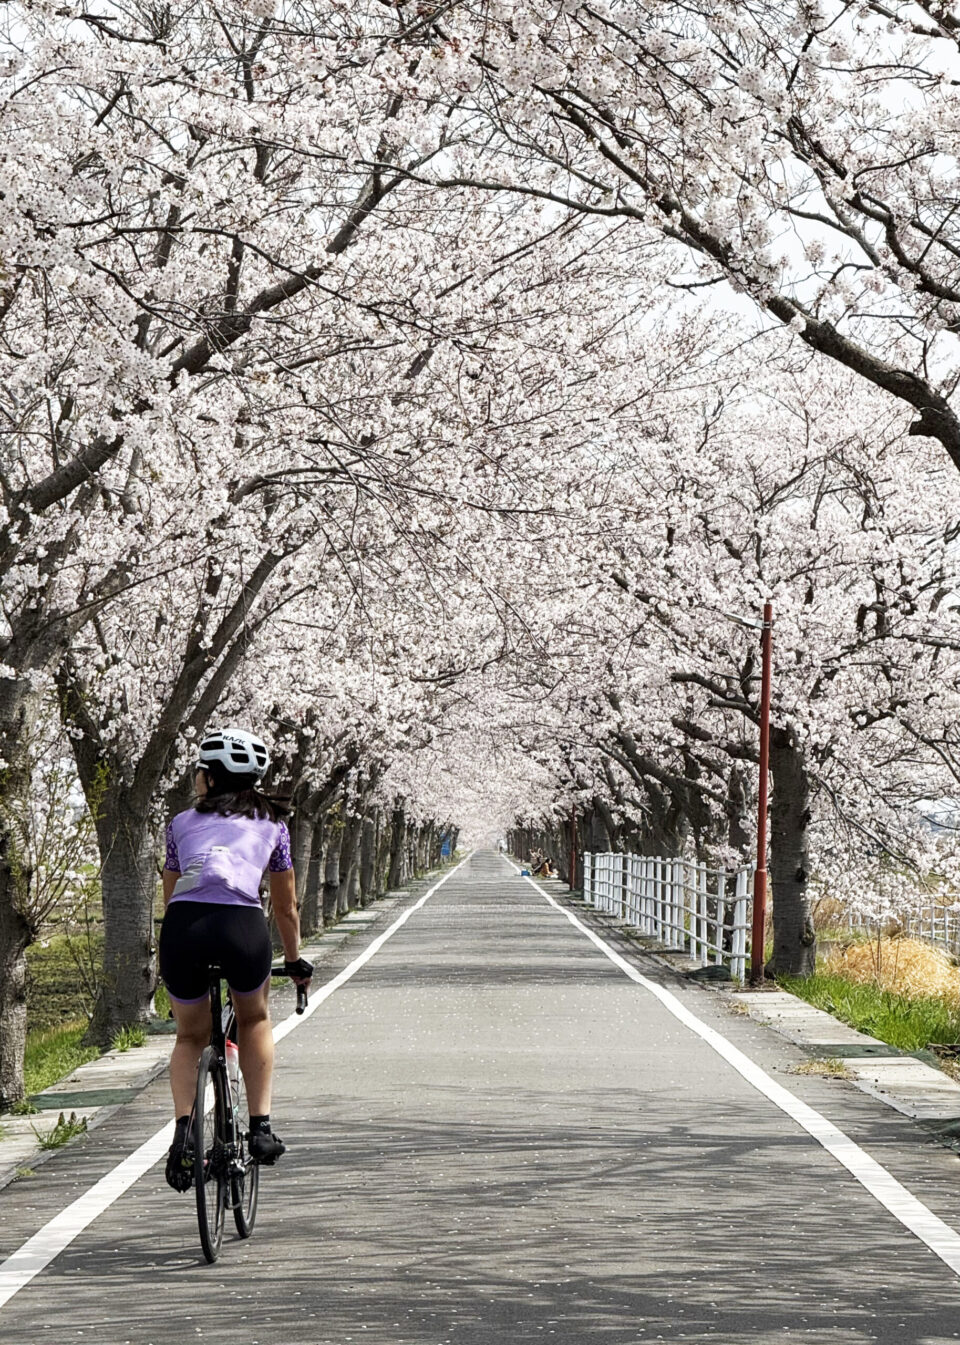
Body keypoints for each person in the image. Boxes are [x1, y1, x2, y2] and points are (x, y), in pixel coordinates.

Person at [158, 727, 313, 1192]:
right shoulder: (274, 827)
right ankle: (260, 1128)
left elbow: (170, 898)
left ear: (209, 777)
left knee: (189, 1036)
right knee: (254, 1019)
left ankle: (184, 1135)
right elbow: (285, 908)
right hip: (242, 929)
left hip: (184, 928)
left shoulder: (180, 823)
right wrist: (295, 960)